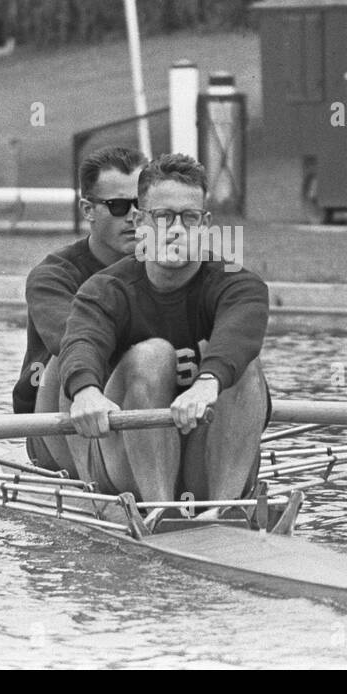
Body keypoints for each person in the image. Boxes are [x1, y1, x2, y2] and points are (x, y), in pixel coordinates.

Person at [57, 153, 269, 507]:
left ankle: (225, 511)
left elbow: (239, 333)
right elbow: (82, 343)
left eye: (189, 217)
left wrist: (208, 382)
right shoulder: (104, 289)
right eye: (163, 217)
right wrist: (85, 391)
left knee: (245, 365)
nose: (176, 229)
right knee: (152, 354)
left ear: (205, 223)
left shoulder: (240, 285)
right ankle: (159, 511)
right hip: (124, 467)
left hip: (208, 462)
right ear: (140, 220)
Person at [13, 145, 146, 472]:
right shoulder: (52, 276)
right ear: (88, 209)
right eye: (118, 206)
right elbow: (75, 342)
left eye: (142, 204)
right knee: (78, 349)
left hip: (134, 411)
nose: (133, 216)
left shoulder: (165, 268)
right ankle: (102, 491)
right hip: (56, 420)